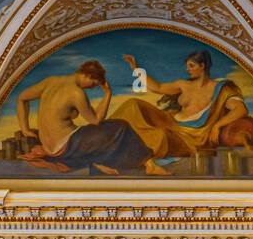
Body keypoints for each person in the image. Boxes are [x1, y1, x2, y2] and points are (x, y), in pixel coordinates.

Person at [110, 50, 253, 174]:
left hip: (192, 136)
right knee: (133, 104)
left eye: (191, 66)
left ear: (202, 66)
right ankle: (105, 139)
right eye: (188, 66)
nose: (187, 69)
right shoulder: (183, 84)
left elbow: (240, 109)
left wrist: (218, 125)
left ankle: (141, 161)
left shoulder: (221, 89)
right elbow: (157, 87)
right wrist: (136, 69)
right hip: (171, 122)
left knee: (160, 136)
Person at [14, 60, 152, 174]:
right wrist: (108, 94)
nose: (92, 88)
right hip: (67, 145)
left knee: (95, 135)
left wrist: (25, 129)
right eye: (94, 84)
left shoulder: (50, 81)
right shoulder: (76, 93)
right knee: (121, 126)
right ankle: (148, 163)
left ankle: (105, 164)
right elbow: (96, 120)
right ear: (87, 76)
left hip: (50, 145)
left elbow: (21, 98)